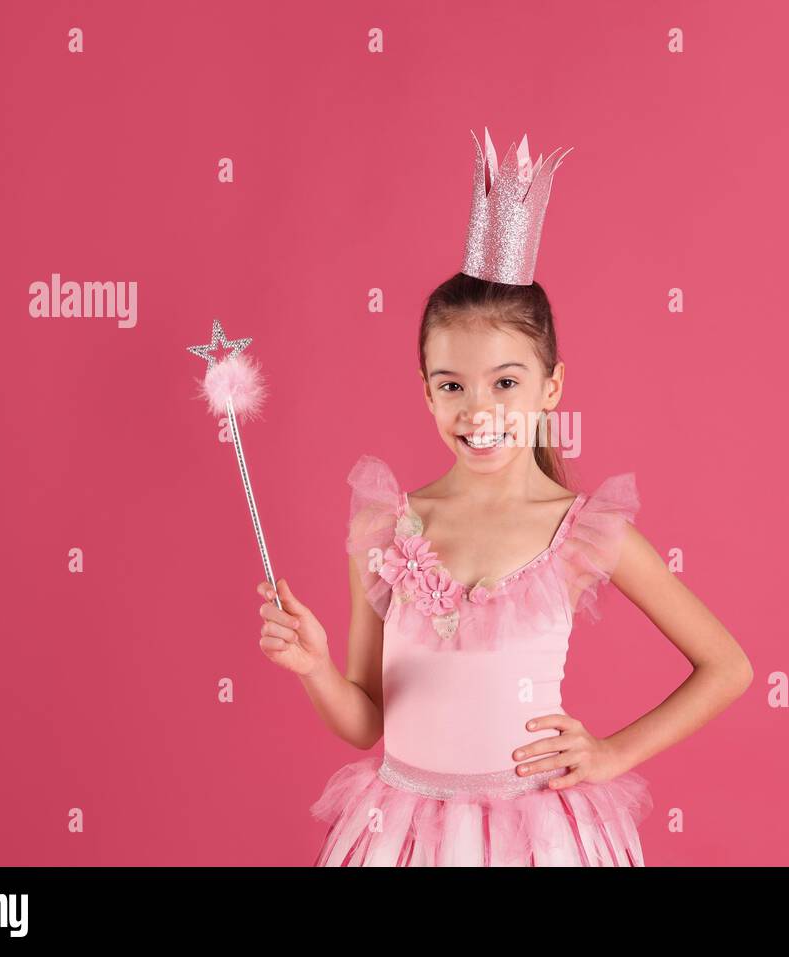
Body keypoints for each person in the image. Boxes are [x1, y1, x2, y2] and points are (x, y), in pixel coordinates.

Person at [255, 129, 753, 865]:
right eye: (452, 384)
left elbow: (728, 666)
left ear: (551, 388)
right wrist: (315, 667)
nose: (477, 408)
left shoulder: (581, 534)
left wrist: (613, 751)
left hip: (536, 839)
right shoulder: (385, 525)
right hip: (407, 837)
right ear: (426, 393)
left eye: (506, 382)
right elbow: (365, 721)